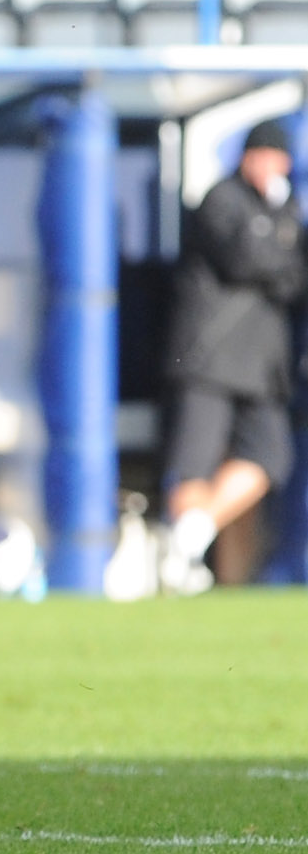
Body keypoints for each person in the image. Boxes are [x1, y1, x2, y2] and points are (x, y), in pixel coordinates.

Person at [160, 119, 305, 593]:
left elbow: (293, 277)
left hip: (262, 367)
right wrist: (279, 251)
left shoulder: (284, 210)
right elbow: (248, 258)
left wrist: (280, 250)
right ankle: (182, 564)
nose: (273, 167)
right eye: (266, 156)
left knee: (270, 456)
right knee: (195, 461)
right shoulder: (222, 200)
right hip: (210, 359)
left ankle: (187, 537)